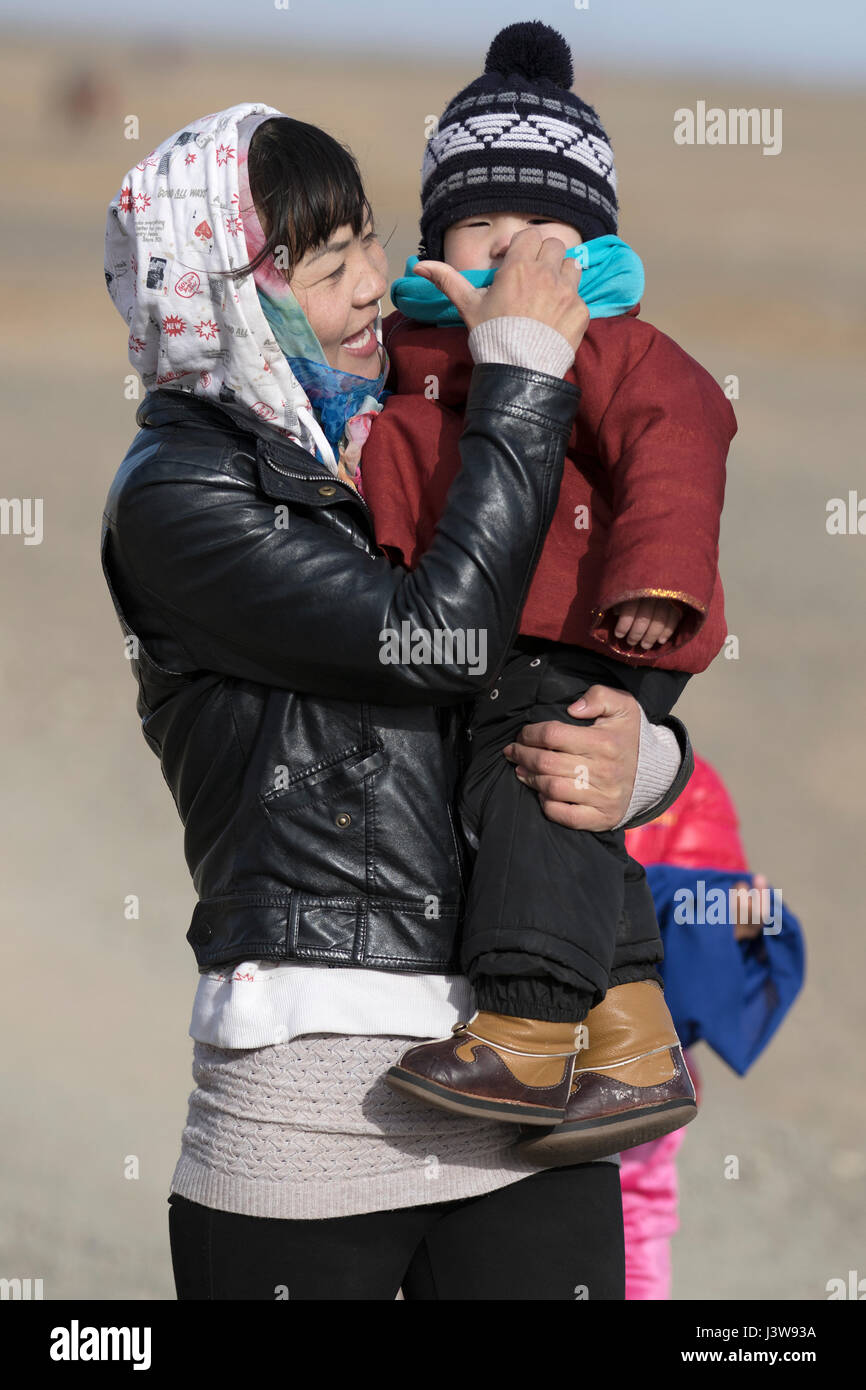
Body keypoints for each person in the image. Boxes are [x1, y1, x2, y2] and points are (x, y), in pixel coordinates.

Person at [101, 102, 693, 1300]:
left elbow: (561, 646)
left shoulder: (415, 426)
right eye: (328, 267)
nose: (378, 282)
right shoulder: (180, 498)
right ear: (225, 305)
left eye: (372, 236)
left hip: (536, 1090)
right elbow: (446, 636)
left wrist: (648, 761)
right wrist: (527, 371)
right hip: (312, 1126)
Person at [359, 21, 736, 1160]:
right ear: (438, 235)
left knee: (533, 789)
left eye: (549, 230)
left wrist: (656, 584)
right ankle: (627, 1040)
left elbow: (684, 433)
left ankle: (523, 1029)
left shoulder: (602, 336)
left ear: (595, 245)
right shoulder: (415, 345)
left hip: (583, 620)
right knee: (579, 817)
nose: (519, 251)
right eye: (485, 225)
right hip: (480, 620)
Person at [620, 753, 805, 1298]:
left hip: (614, 1058)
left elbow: (732, 911)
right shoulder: (688, 778)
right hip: (649, 1059)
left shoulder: (686, 782)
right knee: (633, 1215)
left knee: (629, 1213)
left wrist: (729, 915)